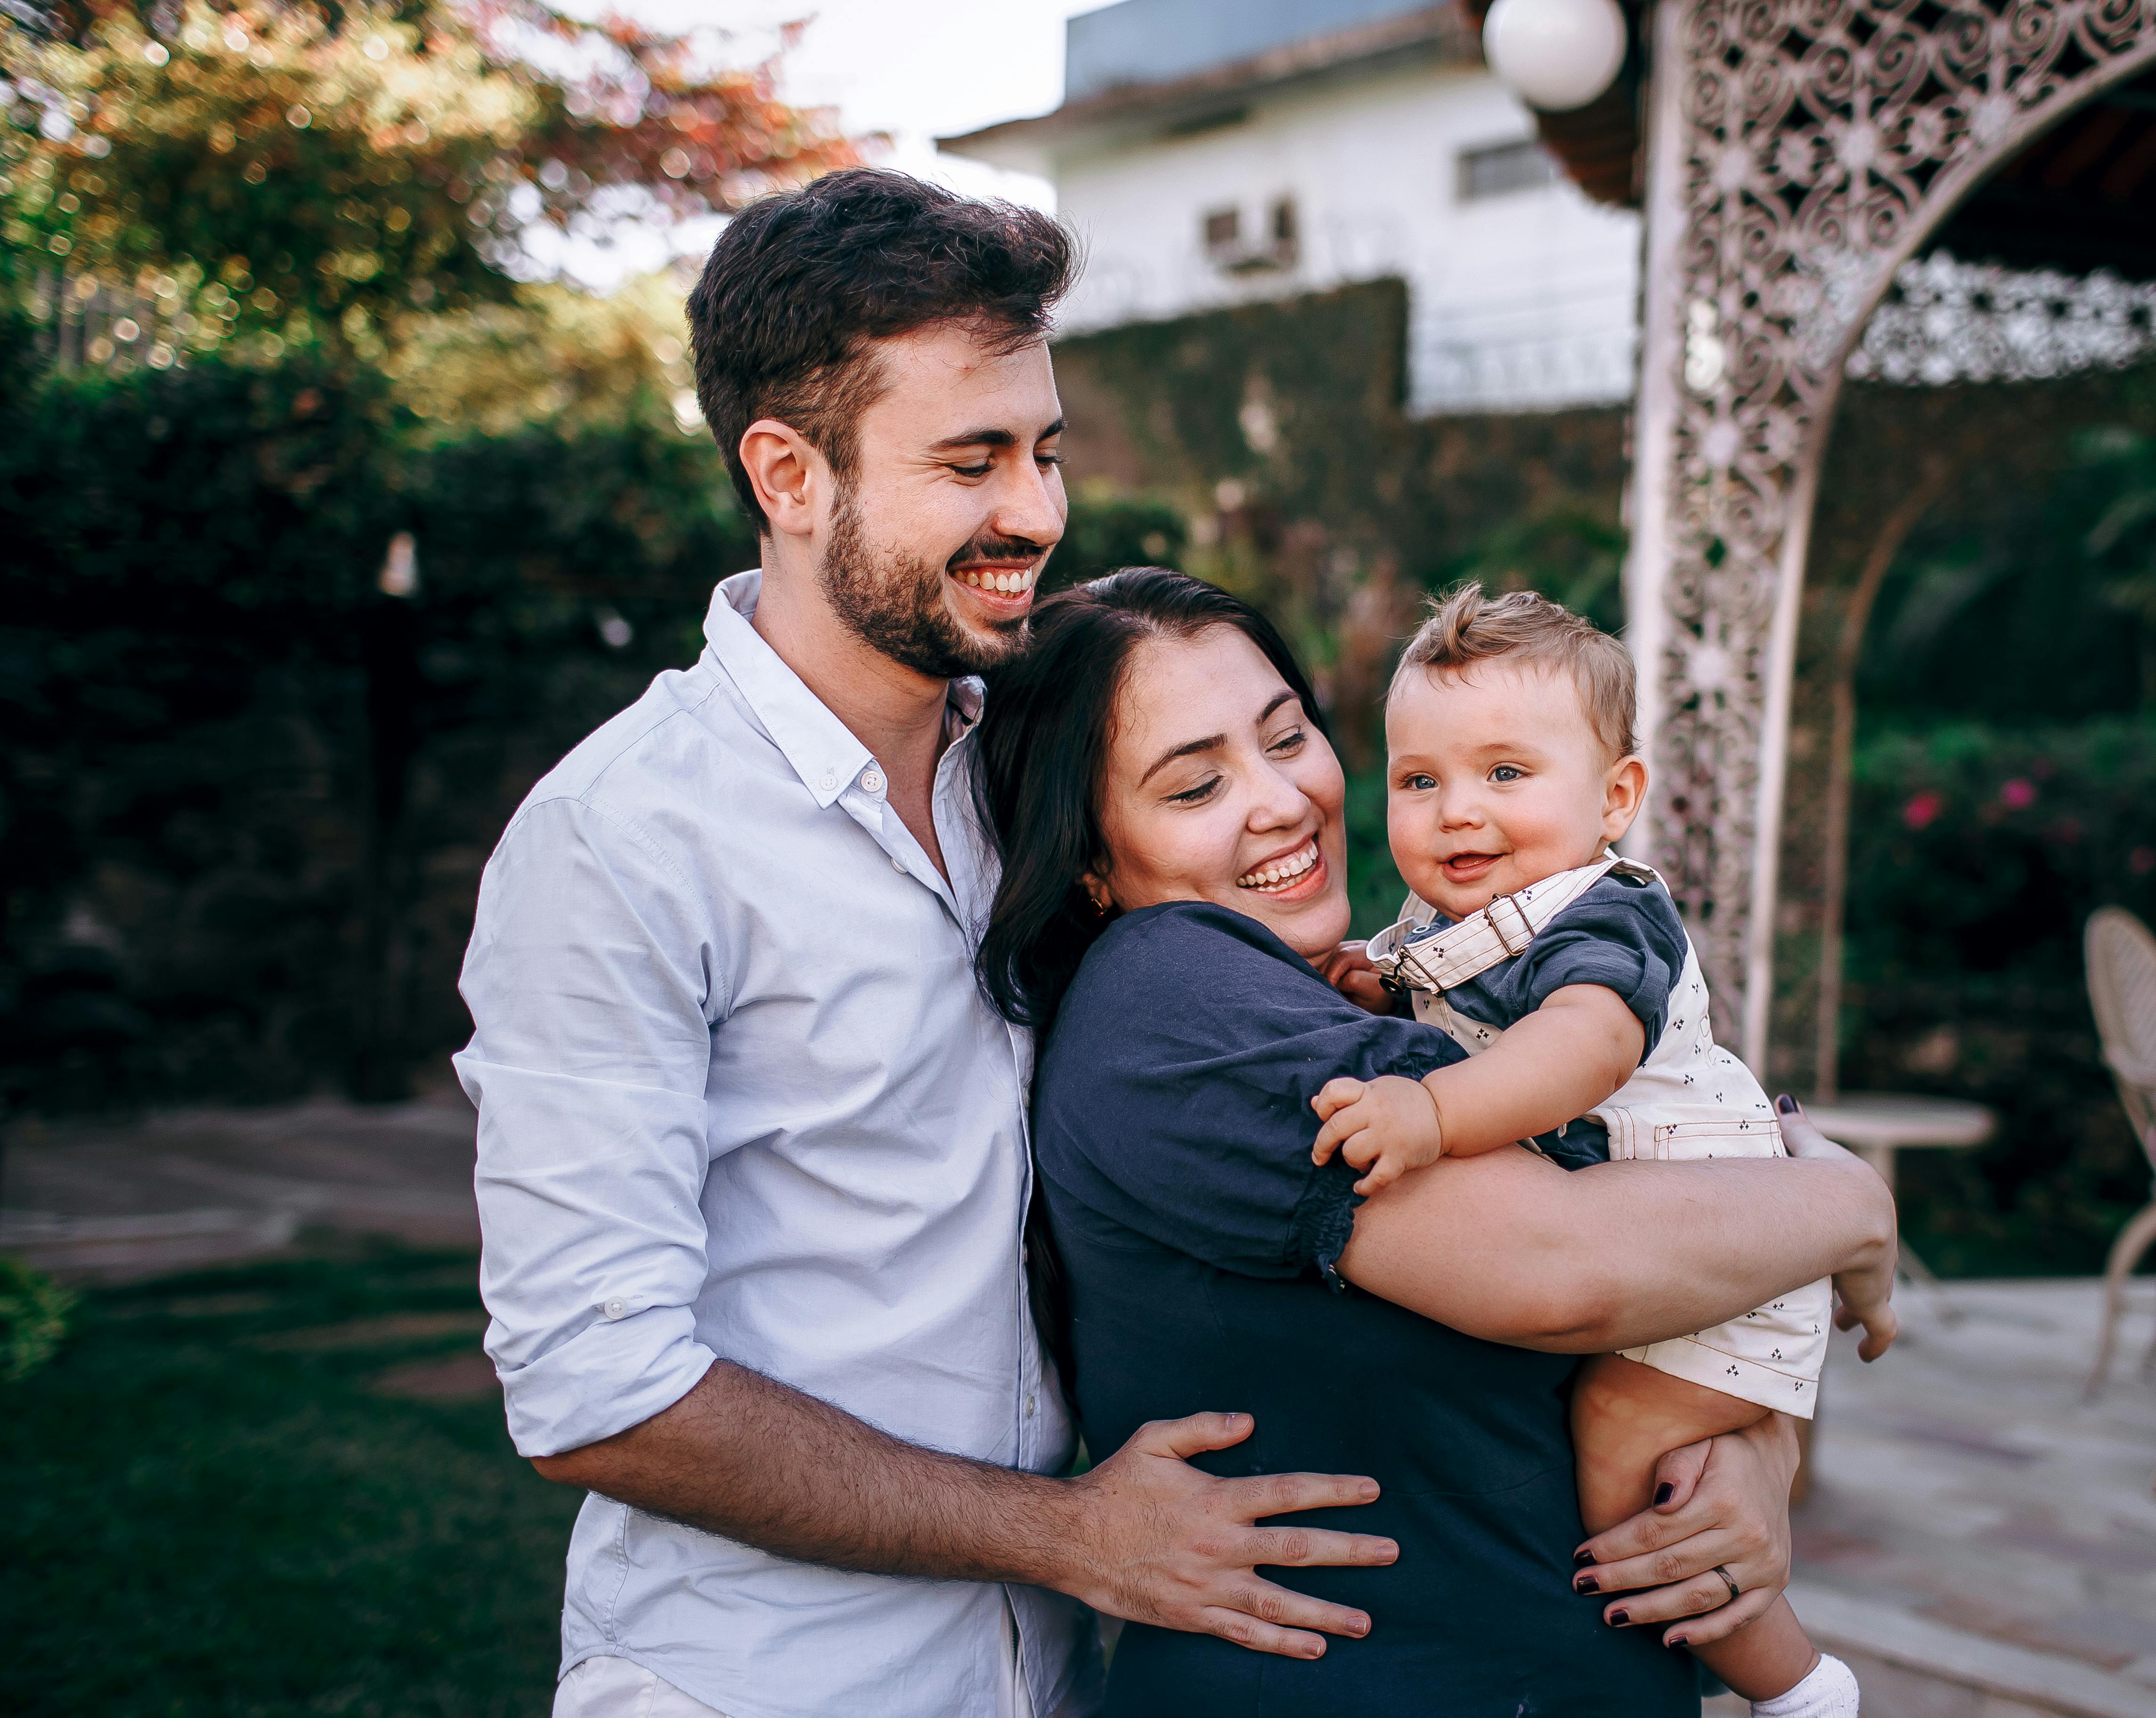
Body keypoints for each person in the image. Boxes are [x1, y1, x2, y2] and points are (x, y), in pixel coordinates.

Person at [454, 170, 1405, 1718]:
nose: (1034, 511)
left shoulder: (1035, 765)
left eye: (1042, 451)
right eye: (970, 461)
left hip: (1061, 1670)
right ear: (789, 472)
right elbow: (596, 1389)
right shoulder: (619, 839)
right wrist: (1070, 1532)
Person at [974, 567, 1900, 1716]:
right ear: (1088, 860)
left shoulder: (1389, 995)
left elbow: (1649, 1299)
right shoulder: (1175, 1002)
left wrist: (1748, 1454)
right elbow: (1571, 1272)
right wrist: (1852, 1208)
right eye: (1197, 784)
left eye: (1287, 737)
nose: (1279, 800)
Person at [1308, 585, 1865, 1717]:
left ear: (1616, 798)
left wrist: (1433, 1115)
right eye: (1422, 781)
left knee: (1620, 1455)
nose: (1459, 812)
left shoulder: (1607, 916)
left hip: (1712, 1243)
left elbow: (1582, 1048)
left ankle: (1796, 1688)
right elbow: (1458, 985)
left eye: (1506, 775)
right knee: (1643, 1464)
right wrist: (1383, 967)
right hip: (1654, 1238)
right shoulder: (1457, 919)